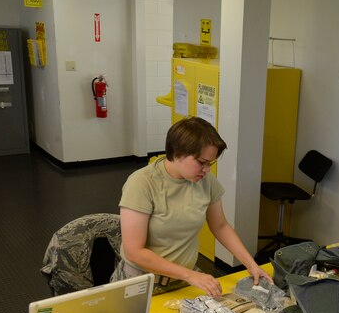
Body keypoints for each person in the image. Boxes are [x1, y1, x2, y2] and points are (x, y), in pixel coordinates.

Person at [115, 117, 271, 298]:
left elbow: (220, 226)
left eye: (210, 164)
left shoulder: (206, 182)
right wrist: (191, 275)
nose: (207, 170)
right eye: (201, 162)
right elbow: (134, 252)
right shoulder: (142, 183)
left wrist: (251, 265)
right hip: (142, 283)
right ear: (177, 153)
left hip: (183, 281)